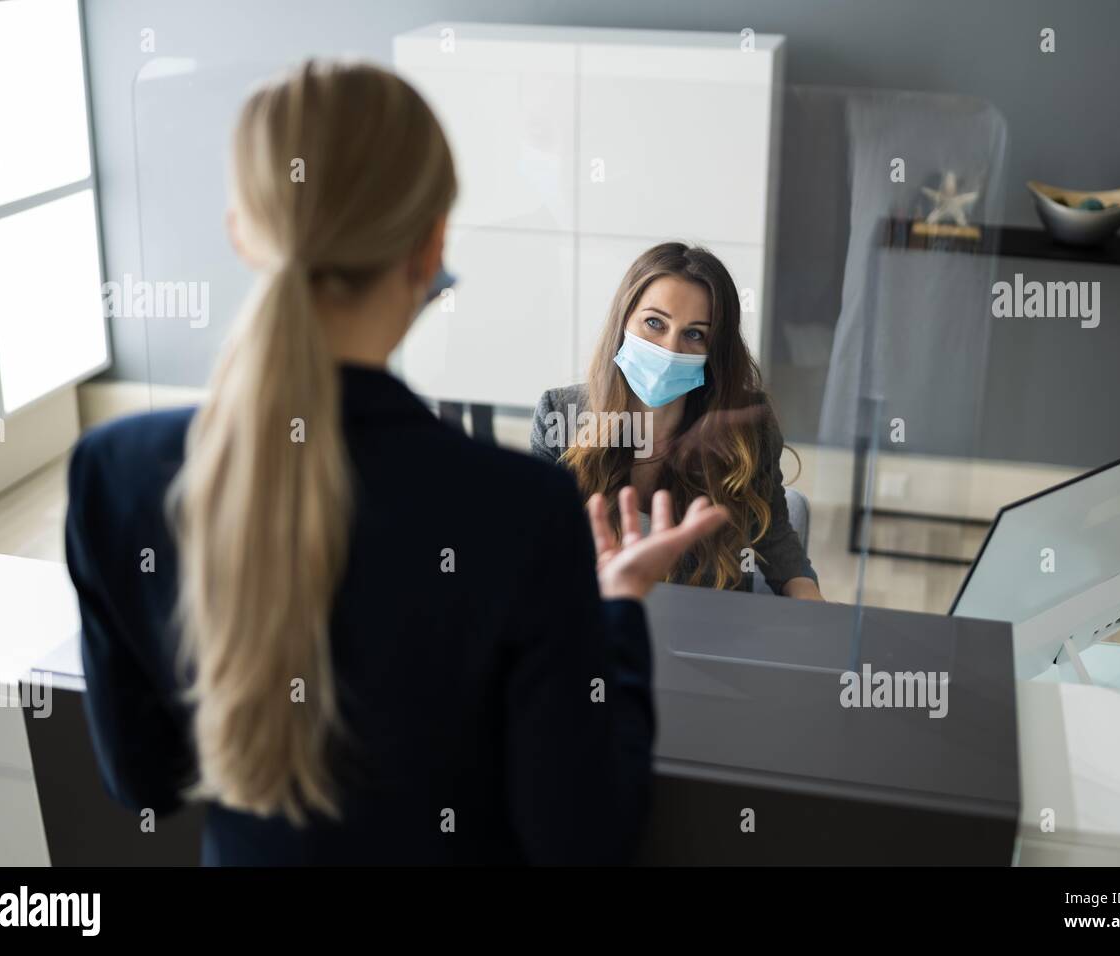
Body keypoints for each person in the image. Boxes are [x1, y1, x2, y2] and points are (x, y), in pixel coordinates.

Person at [64, 60, 726, 865]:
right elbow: (580, 841)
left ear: (243, 230)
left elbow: (142, 779)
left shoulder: (111, 471)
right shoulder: (520, 510)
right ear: (431, 248)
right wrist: (618, 607)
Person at [530, 243, 823, 599]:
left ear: (715, 349)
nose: (670, 349)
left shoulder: (746, 428)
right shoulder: (561, 416)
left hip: (706, 632)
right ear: (624, 320)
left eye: (694, 334)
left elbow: (773, 534)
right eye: (655, 323)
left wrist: (812, 602)